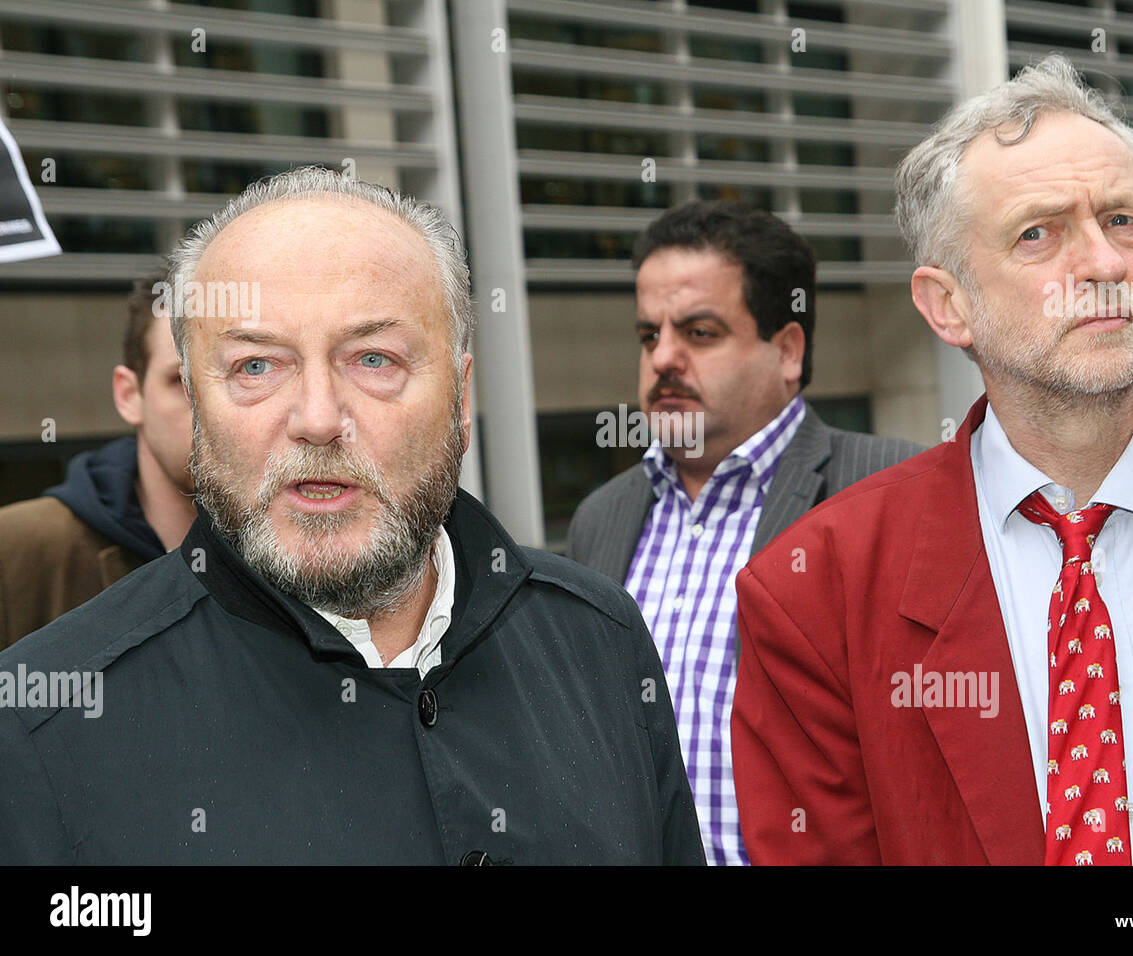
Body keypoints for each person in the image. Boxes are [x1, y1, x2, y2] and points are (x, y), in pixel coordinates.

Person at [0, 167, 704, 865]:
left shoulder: (599, 642)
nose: (316, 419)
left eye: (373, 359)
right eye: (255, 367)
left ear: (460, 398)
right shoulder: (43, 731)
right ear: (193, 402)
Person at [731, 55, 1133, 866]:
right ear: (947, 304)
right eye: (1040, 234)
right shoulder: (815, 592)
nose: (1105, 265)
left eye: (1125, 222)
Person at [567, 200, 922, 865]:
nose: (663, 359)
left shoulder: (887, 490)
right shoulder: (603, 517)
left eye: (699, 333)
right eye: (649, 336)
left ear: (788, 351)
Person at [0, 273, 195, 648]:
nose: (212, 410)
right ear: (129, 395)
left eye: (250, 371)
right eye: (184, 382)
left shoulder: (308, 546)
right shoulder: (21, 554)